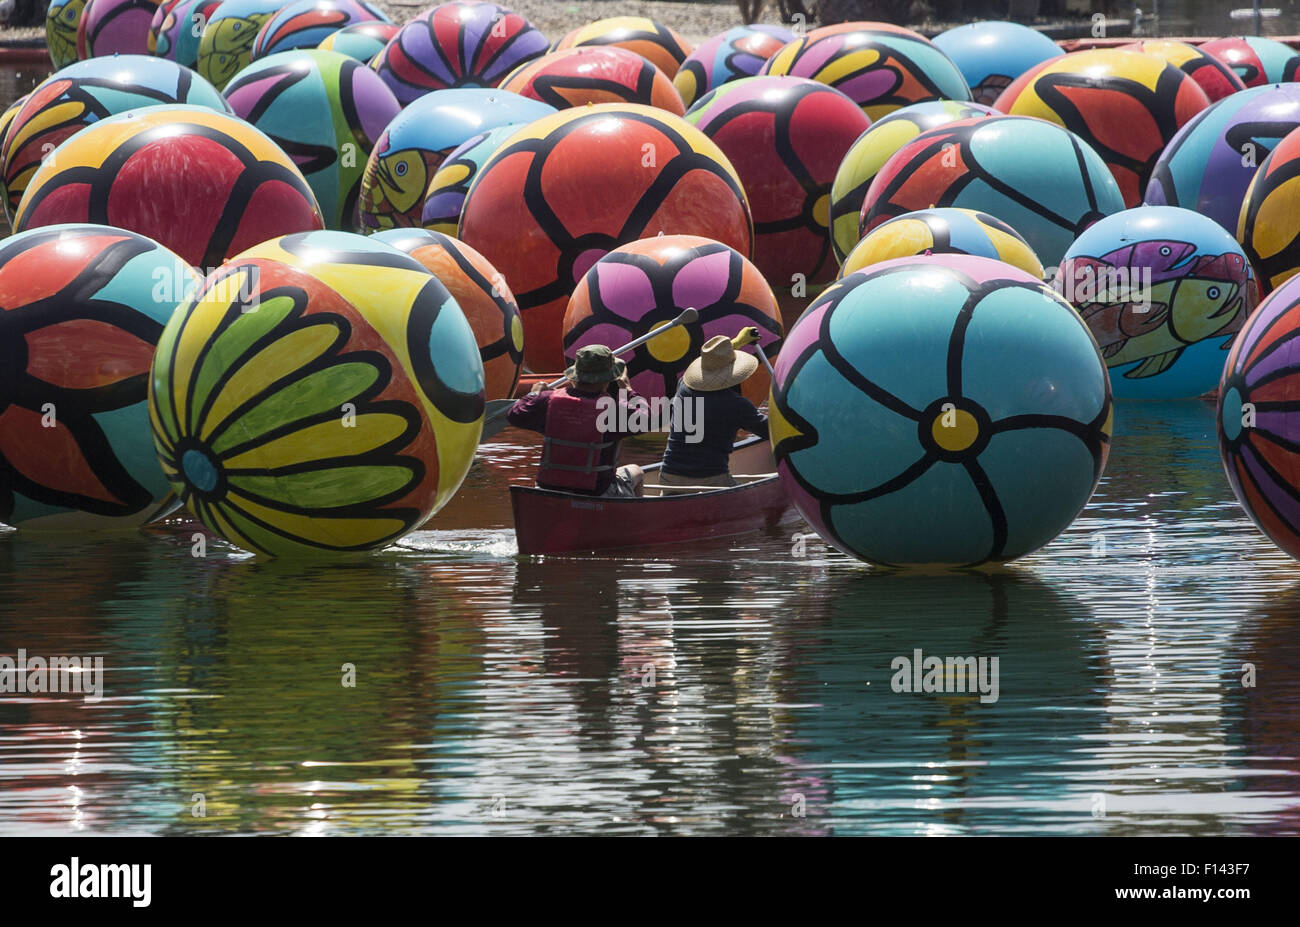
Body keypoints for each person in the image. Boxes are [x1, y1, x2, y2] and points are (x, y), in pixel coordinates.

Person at [507, 344, 646, 497]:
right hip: (598, 493)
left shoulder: (546, 401)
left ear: (575, 376)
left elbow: (514, 414)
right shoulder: (613, 410)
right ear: (607, 381)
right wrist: (627, 389)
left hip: (549, 492)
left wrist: (534, 395)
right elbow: (645, 419)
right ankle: (629, 518)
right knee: (637, 471)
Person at [659, 331, 769, 494]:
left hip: (669, 477)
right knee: (758, 495)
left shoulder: (683, 387)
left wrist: (735, 343)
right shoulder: (737, 405)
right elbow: (770, 431)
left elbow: (712, 362)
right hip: (711, 479)